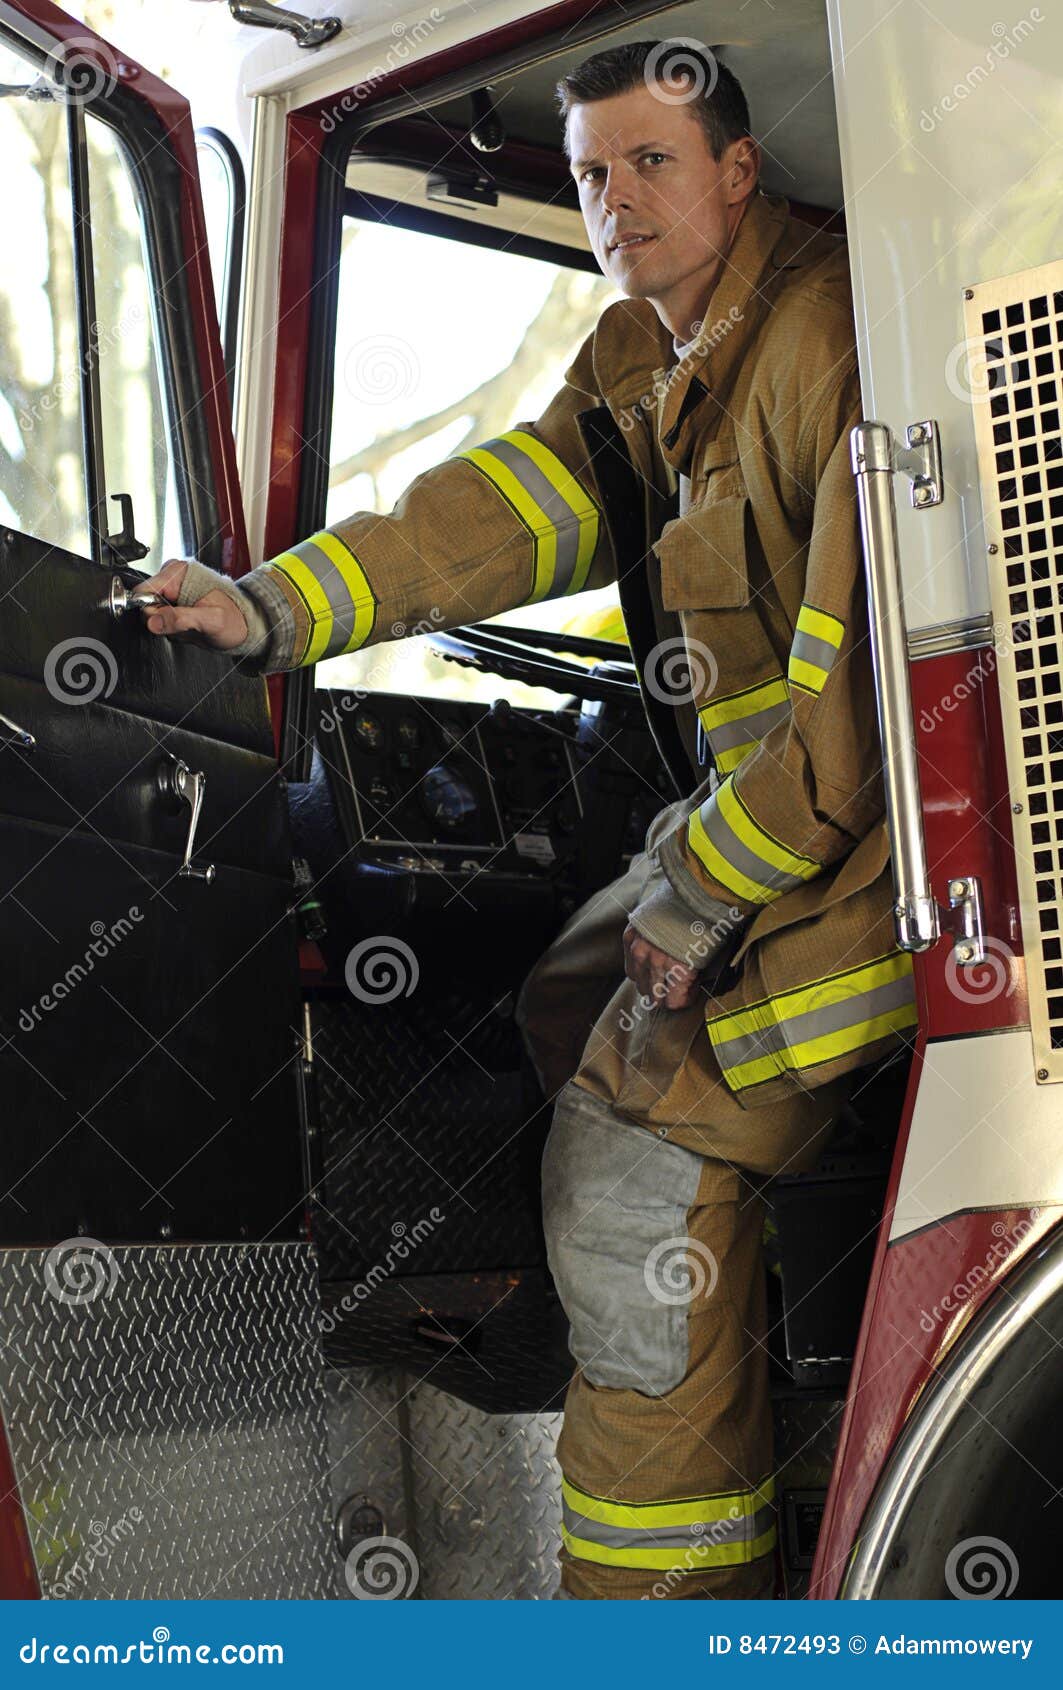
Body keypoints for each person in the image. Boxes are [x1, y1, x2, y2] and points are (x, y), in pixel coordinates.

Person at [137, 40, 914, 1599]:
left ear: (738, 171)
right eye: (589, 176)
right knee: (575, 995)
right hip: (794, 864)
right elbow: (495, 516)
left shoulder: (827, 337)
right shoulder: (647, 363)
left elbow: (847, 728)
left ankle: (658, 1615)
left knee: (628, 1155)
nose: (615, 202)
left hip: (882, 888)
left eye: (651, 162)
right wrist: (268, 606)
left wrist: (688, 911)